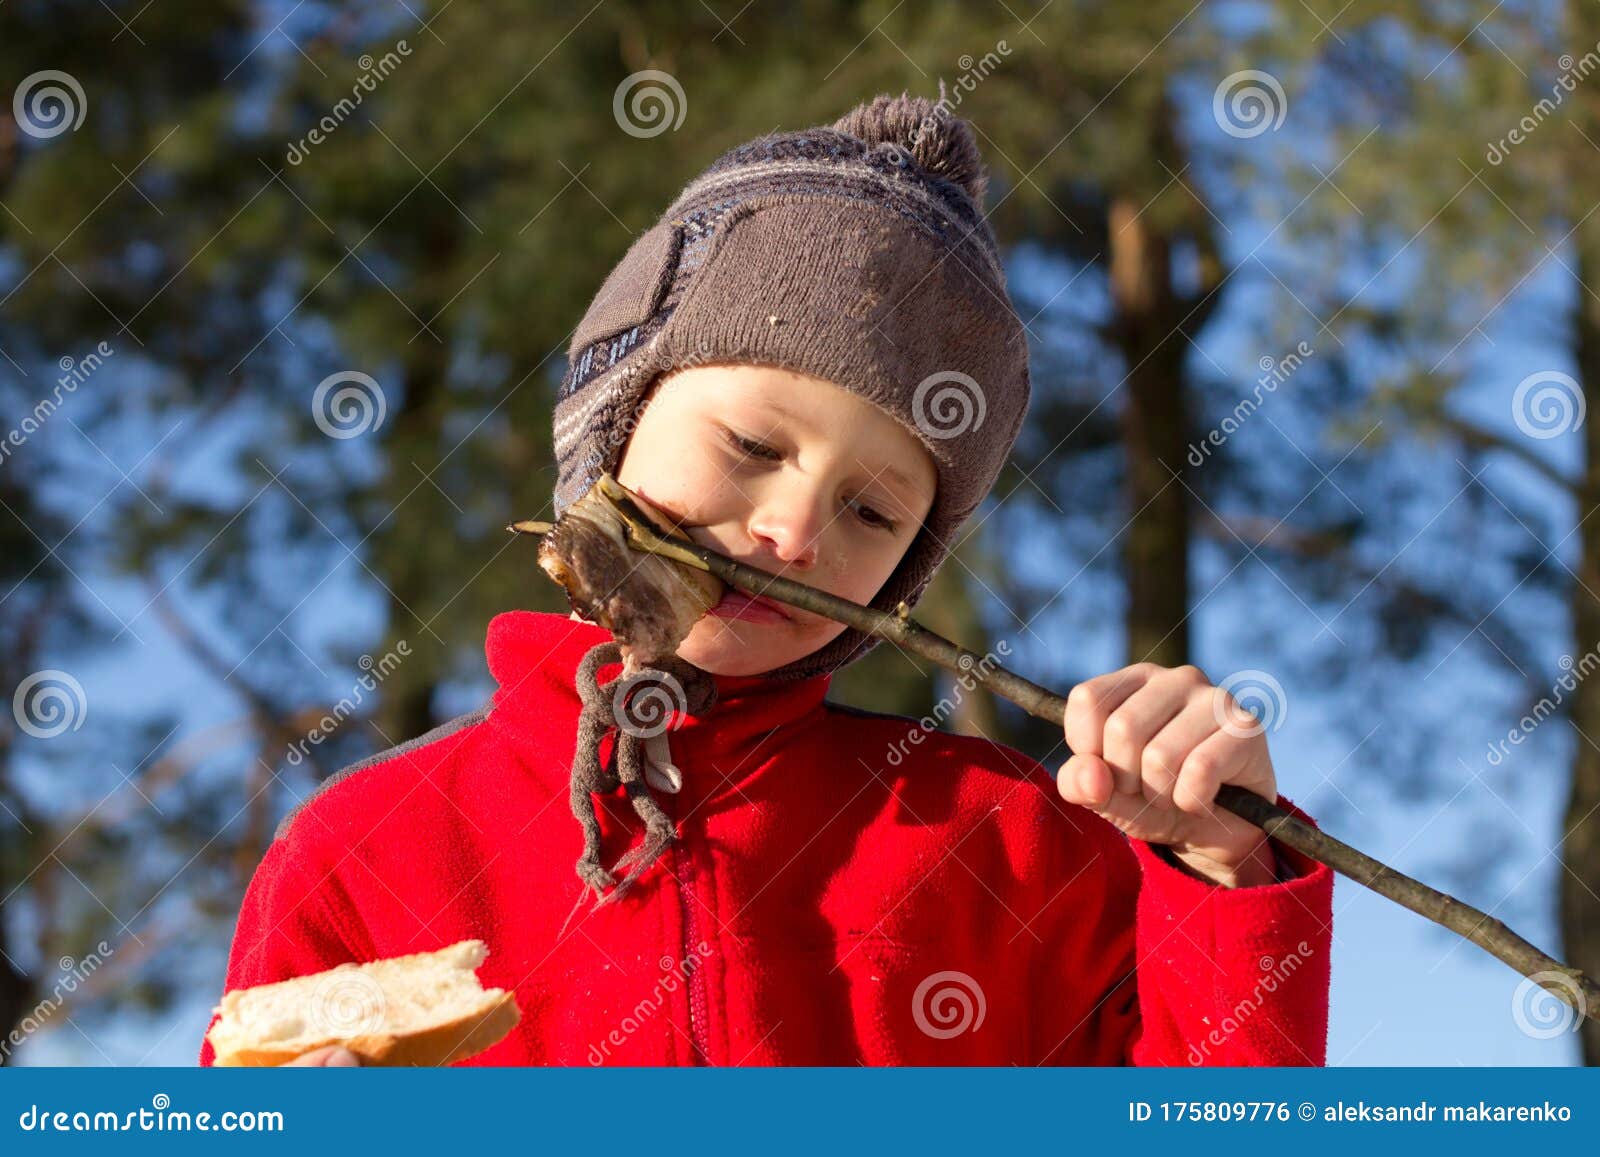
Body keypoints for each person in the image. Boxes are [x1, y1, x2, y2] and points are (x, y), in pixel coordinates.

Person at [205, 92, 1332, 1068]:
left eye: (874, 510)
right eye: (750, 447)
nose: (794, 531)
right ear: (613, 424)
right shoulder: (368, 847)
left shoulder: (1008, 839)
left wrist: (1225, 867)